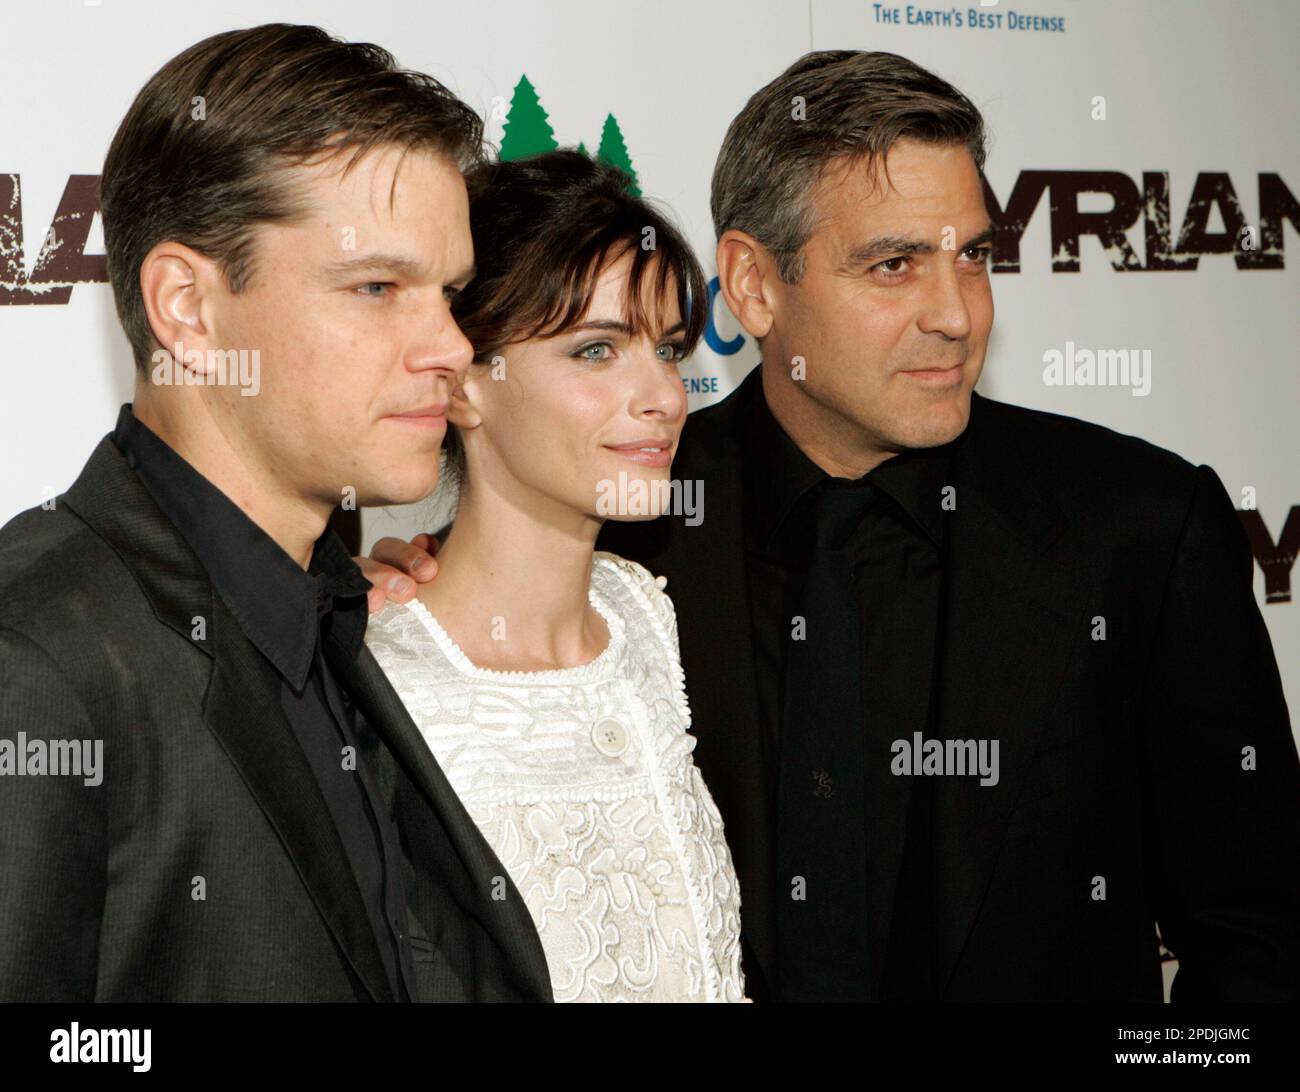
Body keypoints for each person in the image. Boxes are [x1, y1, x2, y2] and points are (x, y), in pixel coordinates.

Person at [367, 50, 1300, 1002]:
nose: (955, 315)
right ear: (755, 285)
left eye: (973, 256)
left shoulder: (1138, 526)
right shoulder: (621, 522)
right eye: (895, 265)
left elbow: (1257, 940)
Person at [0, 24, 550, 1001]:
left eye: (450, 295)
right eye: (377, 287)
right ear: (187, 307)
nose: (451, 349)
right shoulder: (36, 659)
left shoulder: (335, 617)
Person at [362, 150, 745, 1002]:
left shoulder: (650, 615)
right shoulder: (376, 676)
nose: (665, 398)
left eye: (669, 349)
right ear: (465, 386)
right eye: (597, 351)